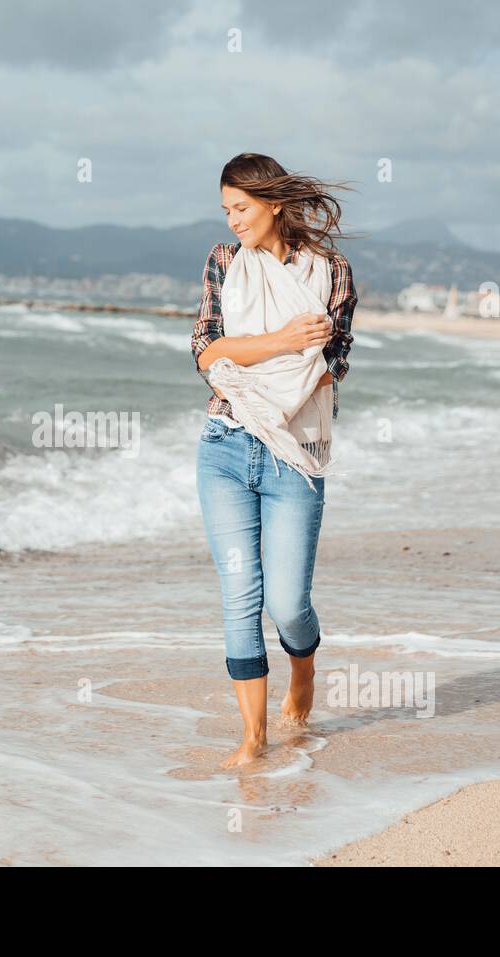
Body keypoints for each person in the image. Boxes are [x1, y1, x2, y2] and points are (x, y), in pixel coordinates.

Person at [190, 152, 358, 769]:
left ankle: (304, 669)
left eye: (241, 207)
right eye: (226, 209)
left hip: (296, 454)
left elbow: (331, 364)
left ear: (273, 204)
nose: (232, 220)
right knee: (240, 595)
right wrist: (285, 344)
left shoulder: (330, 271)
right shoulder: (223, 262)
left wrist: (248, 358)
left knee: (288, 604)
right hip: (226, 445)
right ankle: (253, 740)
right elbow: (205, 352)